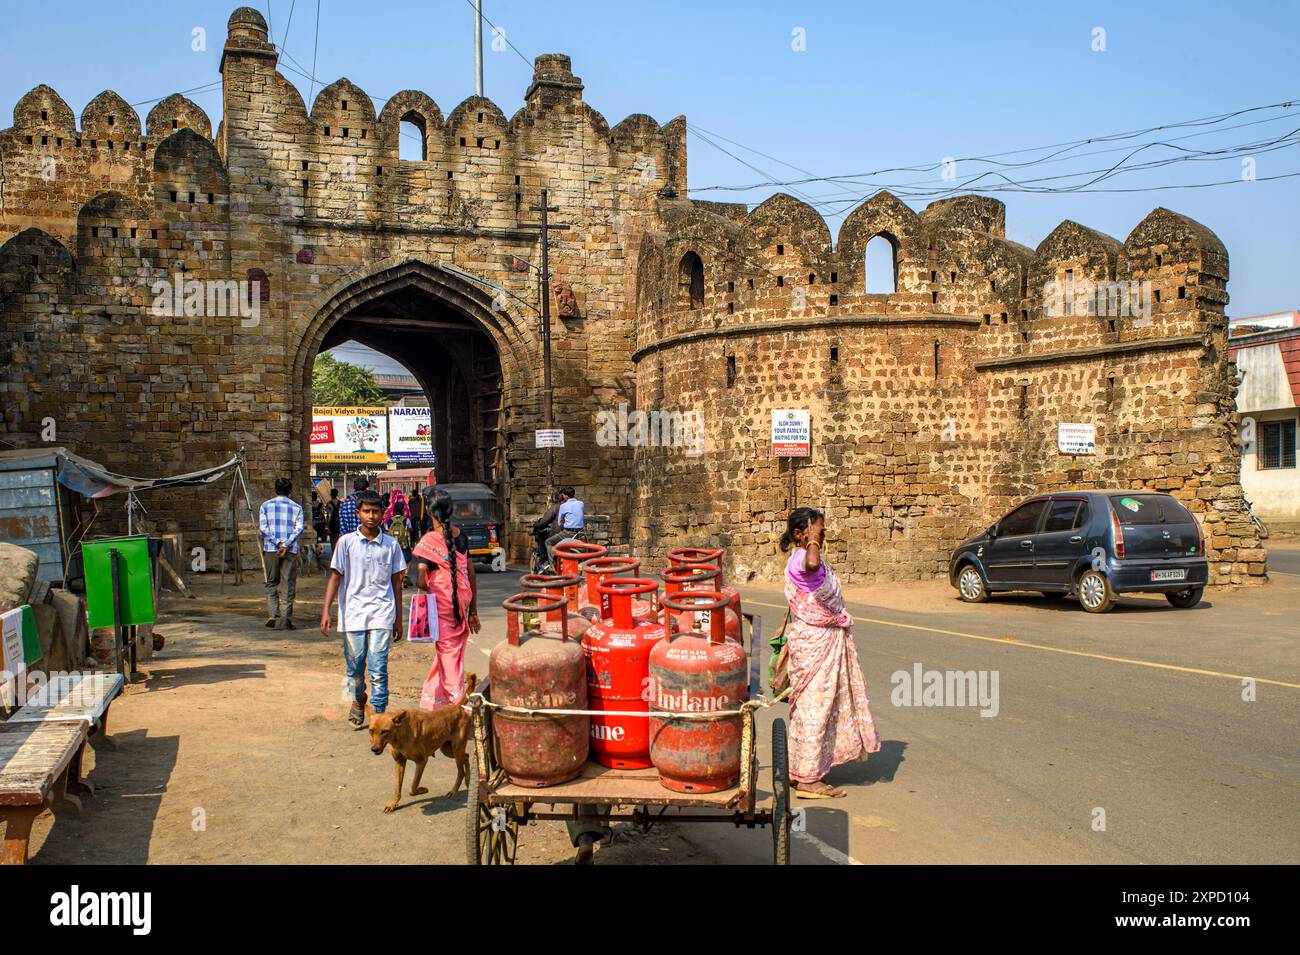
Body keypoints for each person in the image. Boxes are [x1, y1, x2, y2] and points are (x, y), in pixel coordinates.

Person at [779, 507, 880, 798]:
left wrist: (813, 541)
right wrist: (811, 541)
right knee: (816, 709)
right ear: (800, 534)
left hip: (820, 641)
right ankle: (809, 780)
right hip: (816, 643)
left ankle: (799, 772)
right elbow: (811, 566)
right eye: (818, 531)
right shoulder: (803, 557)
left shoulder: (807, 557)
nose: (822, 537)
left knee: (812, 708)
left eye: (821, 532)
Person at [321, 490, 407, 728]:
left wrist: (399, 619)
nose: (371, 516)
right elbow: (335, 577)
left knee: (379, 667)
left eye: (376, 511)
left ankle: (378, 715)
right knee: (355, 667)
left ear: (382, 514)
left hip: (382, 613)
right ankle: (358, 700)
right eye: (367, 511)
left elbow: (396, 583)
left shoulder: (391, 545)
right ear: (358, 513)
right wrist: (326, 610)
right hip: (353, 615)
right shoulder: (346, 543)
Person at [413, 488, 480, 710]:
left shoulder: (429, 541)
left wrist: (427, 578)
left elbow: (421, 580)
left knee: (448, 656)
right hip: (462, 602)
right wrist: (473, 612)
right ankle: (435, 700)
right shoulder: (461, 535)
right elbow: (470, 574)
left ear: (430, 513)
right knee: (449, 654)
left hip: (442, 605)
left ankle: (456, 704)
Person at [258, 477, 304, 630]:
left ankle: (273, 614)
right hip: (289, 550)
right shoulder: (296, 507)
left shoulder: (265, 506)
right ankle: (286, 618)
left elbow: (264, 528)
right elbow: (299, 528)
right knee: (288, 583)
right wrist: (286, 544)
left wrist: (277, 543)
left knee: (271, 582)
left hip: (272, 549)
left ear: (275, 490)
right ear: (290, 491)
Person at [535, 486, 584, 567]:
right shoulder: (581, 504)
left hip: (568, 532)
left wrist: (564, 521)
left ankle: (552, 564)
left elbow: (559, 523)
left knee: (548, 542)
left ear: (566, 496)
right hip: (580, 532)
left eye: (564, 495)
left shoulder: (563, 506)